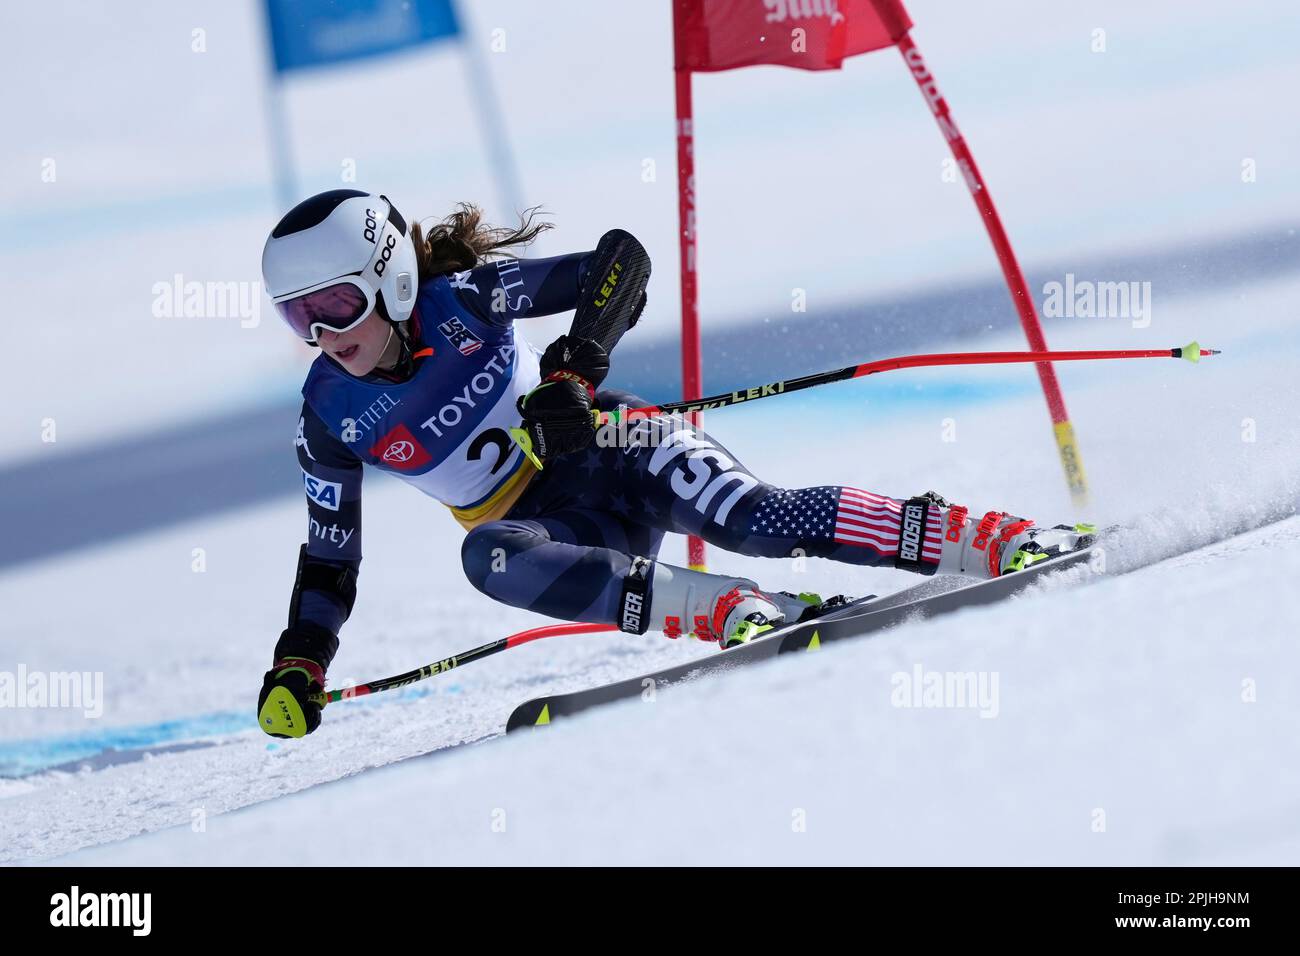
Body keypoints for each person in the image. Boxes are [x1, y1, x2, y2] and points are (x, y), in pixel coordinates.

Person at [256, 189, 1091, 738]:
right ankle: (733, 609)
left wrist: (577, 368)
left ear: (391, 278)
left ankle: (985, 537)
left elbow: (622, 260)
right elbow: (331, 558)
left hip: (621, 451)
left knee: (755, 519)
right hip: (565, 529)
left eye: (335, 303)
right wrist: (302, 659)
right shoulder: (328, 414)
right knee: (486, 554)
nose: (325, 334)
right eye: (301, 317)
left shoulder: (468, 298)